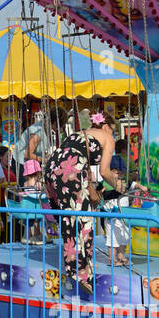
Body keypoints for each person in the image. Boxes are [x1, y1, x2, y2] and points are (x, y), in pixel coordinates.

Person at [42, 110, 123, 296]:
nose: (113, 137)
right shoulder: (107, 138)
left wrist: (90, 188)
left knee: (68, 219)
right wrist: (118, 185)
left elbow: (80, 161)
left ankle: (72, 266)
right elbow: (104, 171)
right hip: (70, 169)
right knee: (84, 221)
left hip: (53, 167)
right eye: (113, 131)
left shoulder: (81, 133)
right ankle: (82, 272)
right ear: (106, 127)